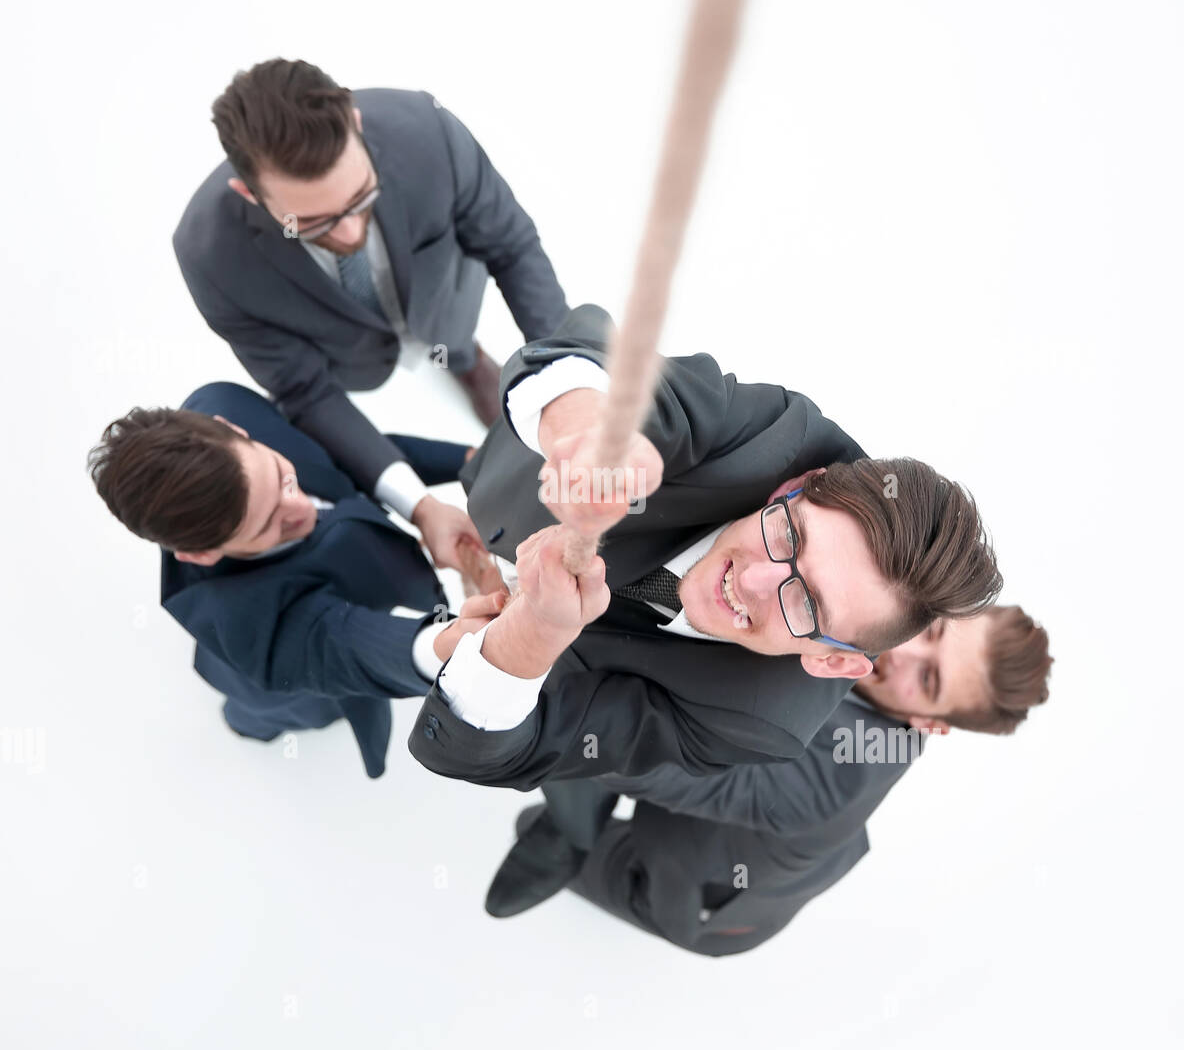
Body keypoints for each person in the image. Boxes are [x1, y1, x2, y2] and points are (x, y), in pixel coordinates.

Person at [408, 304, 1004, 796]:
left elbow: (518, 749)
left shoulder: (759, 720)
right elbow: (593, 347)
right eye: (790, 536)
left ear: (832, 661)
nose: (753, 582)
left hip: (463, 653)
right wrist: (585, 428)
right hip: (505, 488)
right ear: (795, 485)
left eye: (807, 604)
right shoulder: (778, 438)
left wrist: (526, 642)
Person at [484, 606, 1053, 952]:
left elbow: (663, 761)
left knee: (561, 788)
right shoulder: (873, 610)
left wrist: (529, 681)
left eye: (927, 681)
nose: (901, 650)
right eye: (929, 630)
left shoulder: (838, 778)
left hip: (699, 890)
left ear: (929, 724)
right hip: (762, 816)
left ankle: (575, 837)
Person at [172, 58, 569, 548]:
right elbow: (304, 392)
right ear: (249, 195)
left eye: (361, 197)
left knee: (455, 345)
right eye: (314, 224)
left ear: (356, 127)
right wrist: (418, 505)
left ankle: (467, 363)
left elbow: (511, 247)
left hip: (444, 306)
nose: (351, 232)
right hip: (351, 357)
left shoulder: (428, 134)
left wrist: (565, 385)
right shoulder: (209, 254)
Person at [88, 383, 490, 779]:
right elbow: (342, 644)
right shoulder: (250, 623)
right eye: (270, 526)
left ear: (235, 429)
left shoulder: (224, 400)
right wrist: (447, 647)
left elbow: (343, 455)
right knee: (280, 708)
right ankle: (248, 725)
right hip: (280, 680)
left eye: (283, 478)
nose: (302, 508)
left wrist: (474, 461)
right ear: (202, 556)